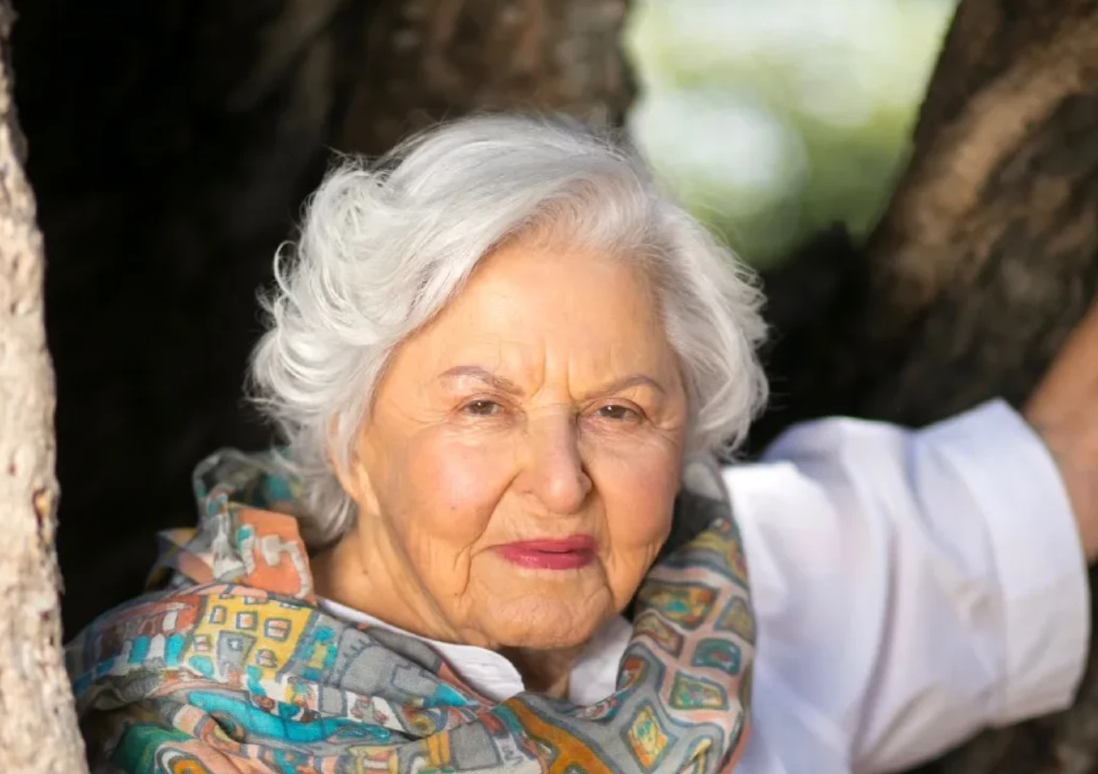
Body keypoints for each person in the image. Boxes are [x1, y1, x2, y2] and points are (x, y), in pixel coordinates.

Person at [67, 115, 1096, 774]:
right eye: (483, 406)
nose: (562, 485)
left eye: (620, 412)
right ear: (346, 436)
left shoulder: (721, 600)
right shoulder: (187, 729)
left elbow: (1059, 471)